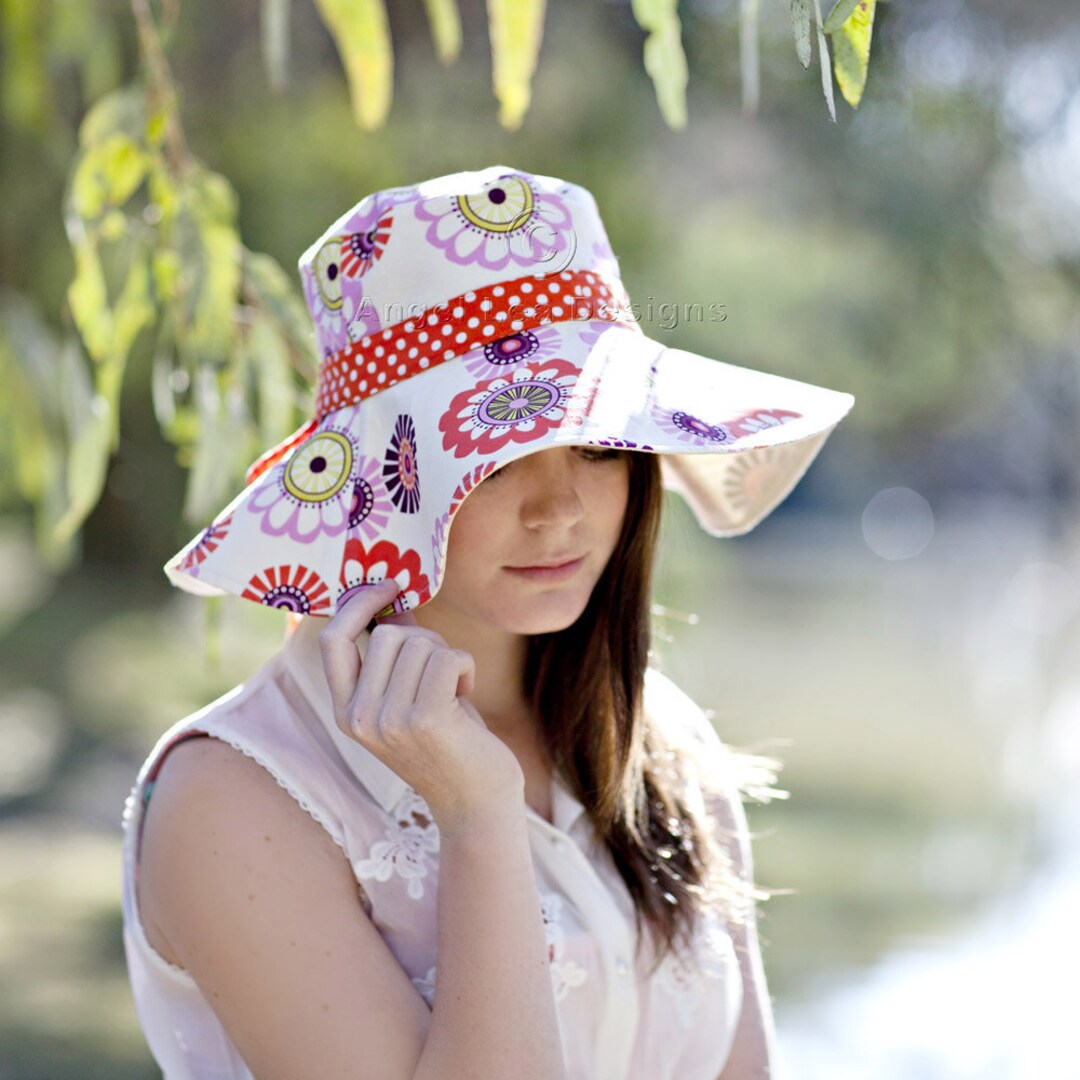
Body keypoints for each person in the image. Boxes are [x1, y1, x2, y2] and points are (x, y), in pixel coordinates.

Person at [118, 165, 855, 1080]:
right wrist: (478, 820)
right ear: (384, 479)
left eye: (596, 446)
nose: (558, 511)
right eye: (493, 458)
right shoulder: (236, 800)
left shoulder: (665, 743)